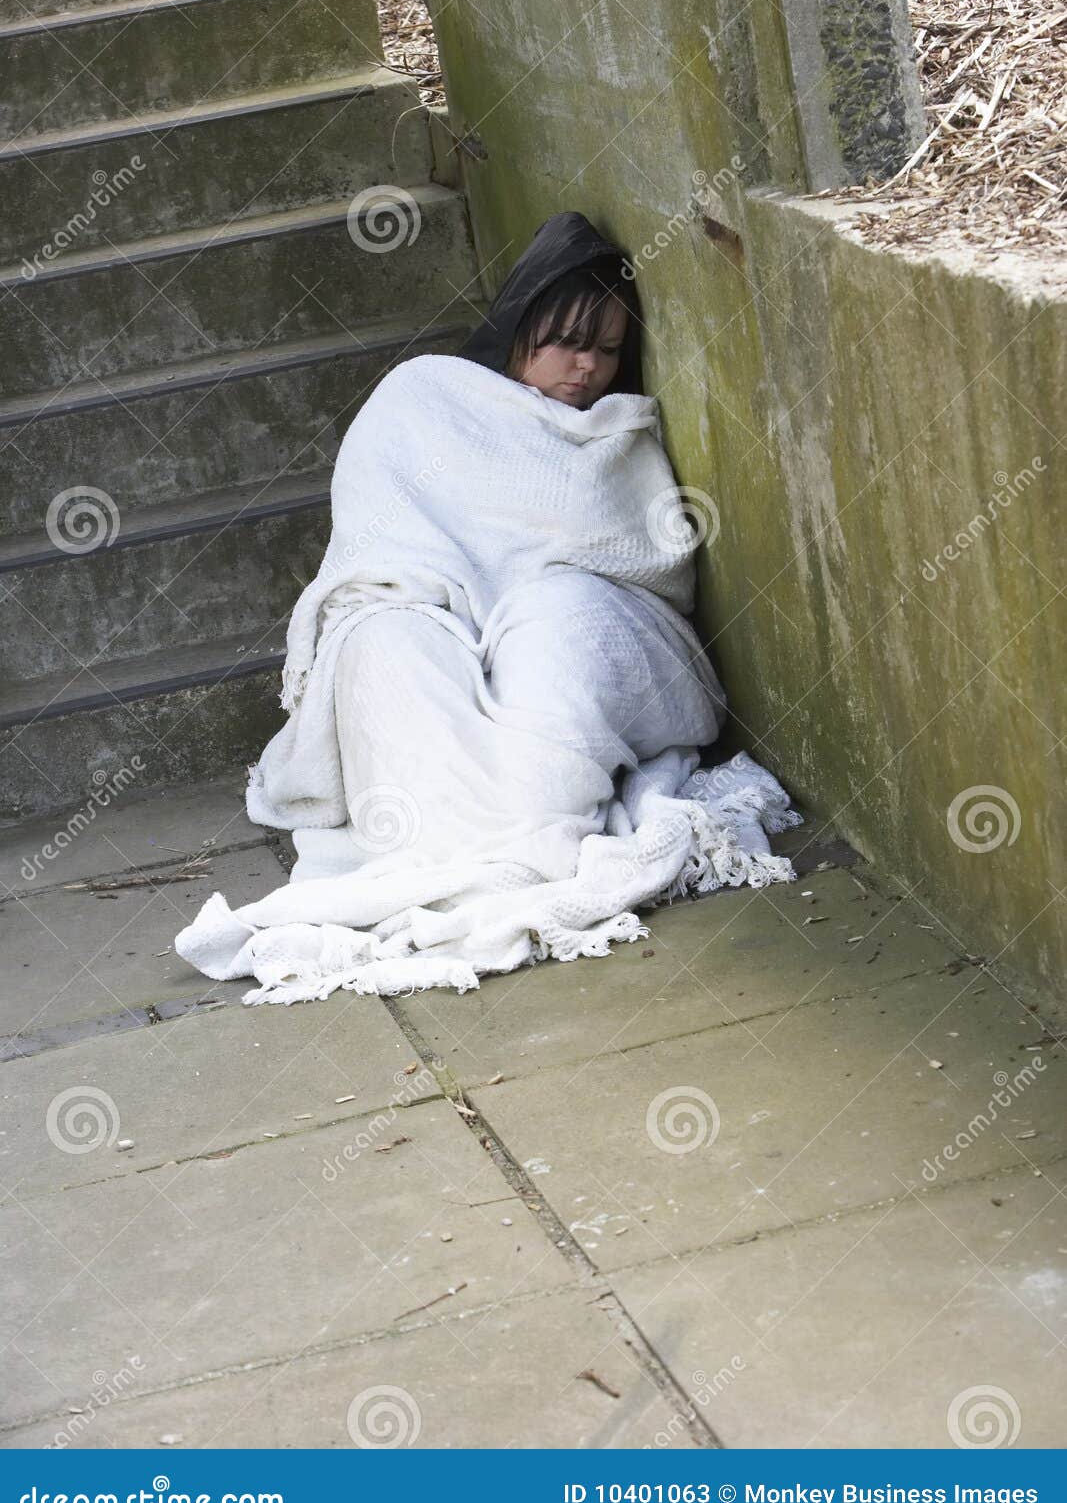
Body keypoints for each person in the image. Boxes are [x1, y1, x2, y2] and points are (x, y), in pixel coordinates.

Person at [173, 212, 800, 1005]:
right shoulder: (424, 397)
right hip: (434, 614)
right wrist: (447, 608)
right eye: (566, 342)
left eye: (608, 349)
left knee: (556, 614)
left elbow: (648, 555)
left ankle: (532, 837)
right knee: (380, 639)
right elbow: (372, 551)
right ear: (517, 328)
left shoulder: (608, 429)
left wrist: (522, 595)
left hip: (573, 620)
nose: (587, 369)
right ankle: (442, 850)